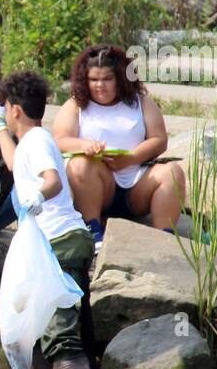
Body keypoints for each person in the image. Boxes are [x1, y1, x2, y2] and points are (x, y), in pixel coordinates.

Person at [0, 70, 98, 369]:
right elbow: (13, 162)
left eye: (5, 109)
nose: (5, 114)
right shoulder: (31, 139)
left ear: (16, 109)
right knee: (34, 320)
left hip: (59, 243)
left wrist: (39, 195)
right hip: (55, 242)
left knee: (59, 332)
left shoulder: (36, 141)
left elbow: (51, 178)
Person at [53, 44, 188, 245]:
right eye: (94, 79)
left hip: (136, 183)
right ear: (85, 80)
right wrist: (84, 145)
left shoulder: (141, 102)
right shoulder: (75, 106)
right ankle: (93, 232)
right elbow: (59, 140)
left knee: (173, 172)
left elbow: (159, 139)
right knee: (80, 164)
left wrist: (131, 158)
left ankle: (164, 238)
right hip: (97, 186)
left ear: (120, 78)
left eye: (107, 79)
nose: (100, 85)